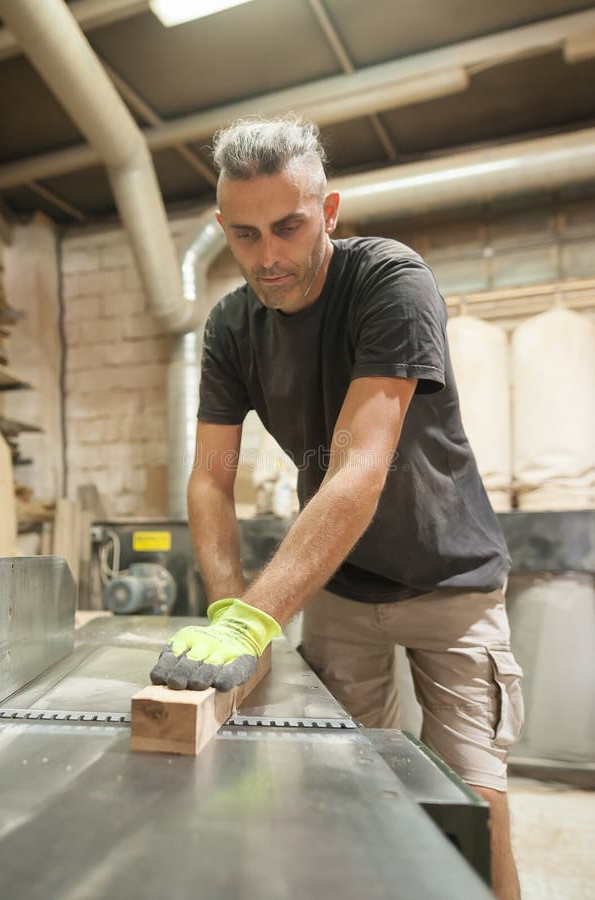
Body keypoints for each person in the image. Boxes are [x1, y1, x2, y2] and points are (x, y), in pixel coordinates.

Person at [151, 115, 524, 899]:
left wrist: (257, 621)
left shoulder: (390, 280)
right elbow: (212, 476)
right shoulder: (228, 326)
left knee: (469, 809)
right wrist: (228, 617)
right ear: (223, 228)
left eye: (287, 227)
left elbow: (358, 467)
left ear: (328, 211)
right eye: (245, 236)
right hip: (340, 591)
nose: (268, 256)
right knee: (336, 795)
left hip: (451, 585)